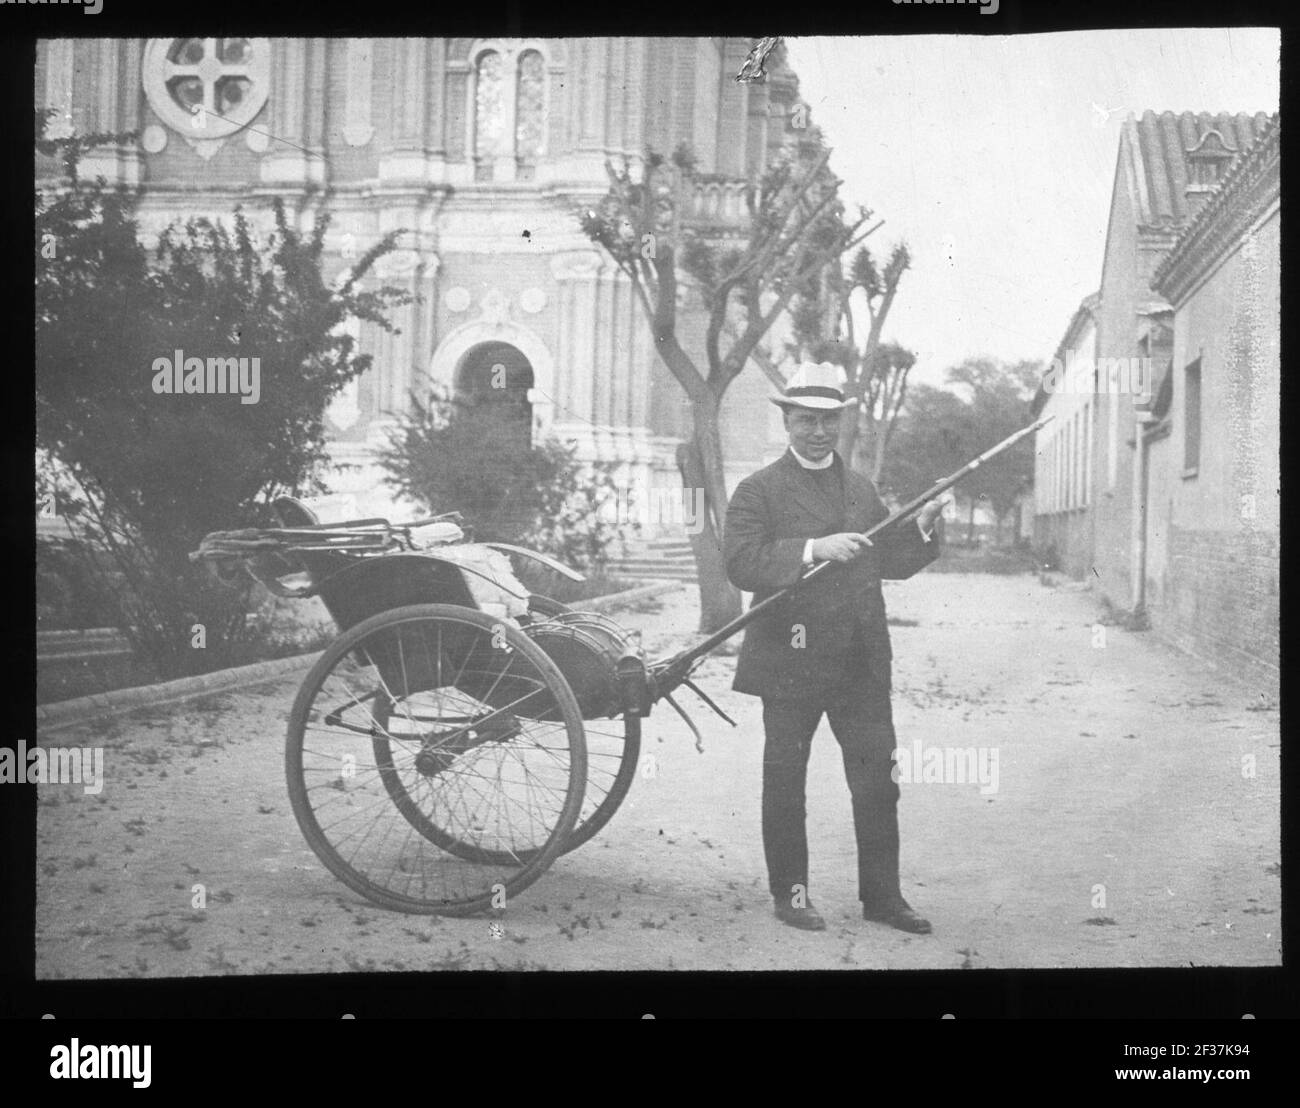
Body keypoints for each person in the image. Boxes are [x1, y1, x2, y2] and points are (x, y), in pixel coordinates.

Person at [723, 362, 945, 933]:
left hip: (859, 662)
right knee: (785, 778)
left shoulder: (860, 489)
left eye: (826, 421)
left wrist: (921, 527)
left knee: (876, 783)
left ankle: (883, 899)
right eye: (805, 420)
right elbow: (741, 564)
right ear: (787, 422)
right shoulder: (758, 490)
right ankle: (790, 896)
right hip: (789, 661)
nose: (817, 432)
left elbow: (889, 562)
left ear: (840, 423)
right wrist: (812, 549)